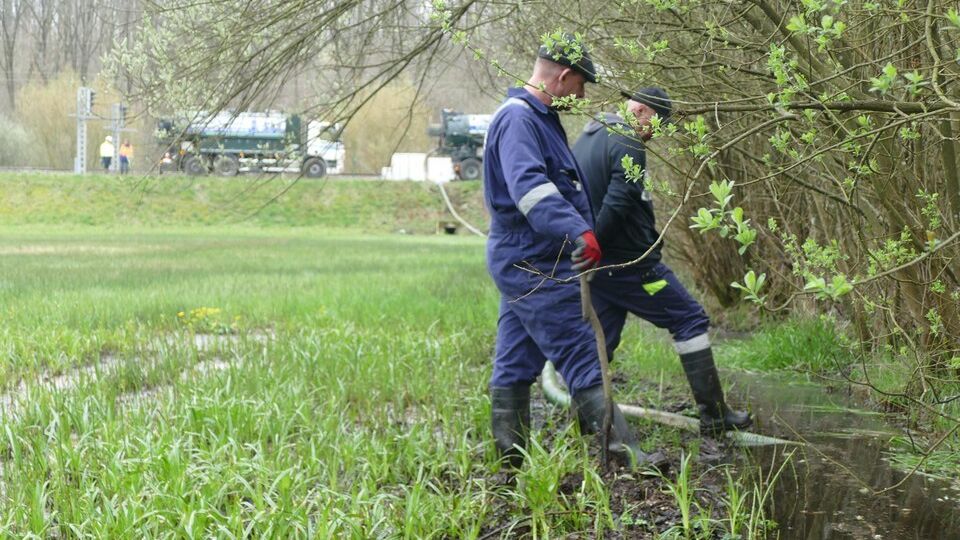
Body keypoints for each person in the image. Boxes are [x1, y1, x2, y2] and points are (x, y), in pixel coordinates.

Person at [484, 35, 664, 469]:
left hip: (527, 259)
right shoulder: (519, 121)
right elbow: (530, 188)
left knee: (515, 359)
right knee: (583, 353)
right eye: (581, 84)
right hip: (534, 262)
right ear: (563, 77)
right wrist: (578, 231)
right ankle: (624, 456)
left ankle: (510, 461)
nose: (582, 95)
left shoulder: (539, 120)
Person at [571, 87, 752, 436]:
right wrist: (596, 241)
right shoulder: (627, 139)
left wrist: (591, 247)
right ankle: (714, 414)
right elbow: (620, 198)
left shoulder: (590, 135)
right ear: (640, 111)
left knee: (601, 342)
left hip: (602, 269)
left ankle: (586, 420)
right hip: (633, 266)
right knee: (689, 317)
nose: (656, 134)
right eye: (657, 124)